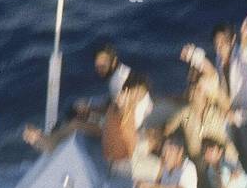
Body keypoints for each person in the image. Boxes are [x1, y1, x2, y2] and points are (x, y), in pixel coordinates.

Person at [23, 44, 153, 152]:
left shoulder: (118, 81)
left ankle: (51, 143)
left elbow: (116, 111)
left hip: (126, 130)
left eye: (103, 65)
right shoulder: (123, 71)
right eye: (97, 65)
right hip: (134, 116)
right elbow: (115, 103)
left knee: (76, 123)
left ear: (113, 62)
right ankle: (58, 134)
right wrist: (89, 108)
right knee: (80, 108)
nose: (100, 69)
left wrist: (90, 110)